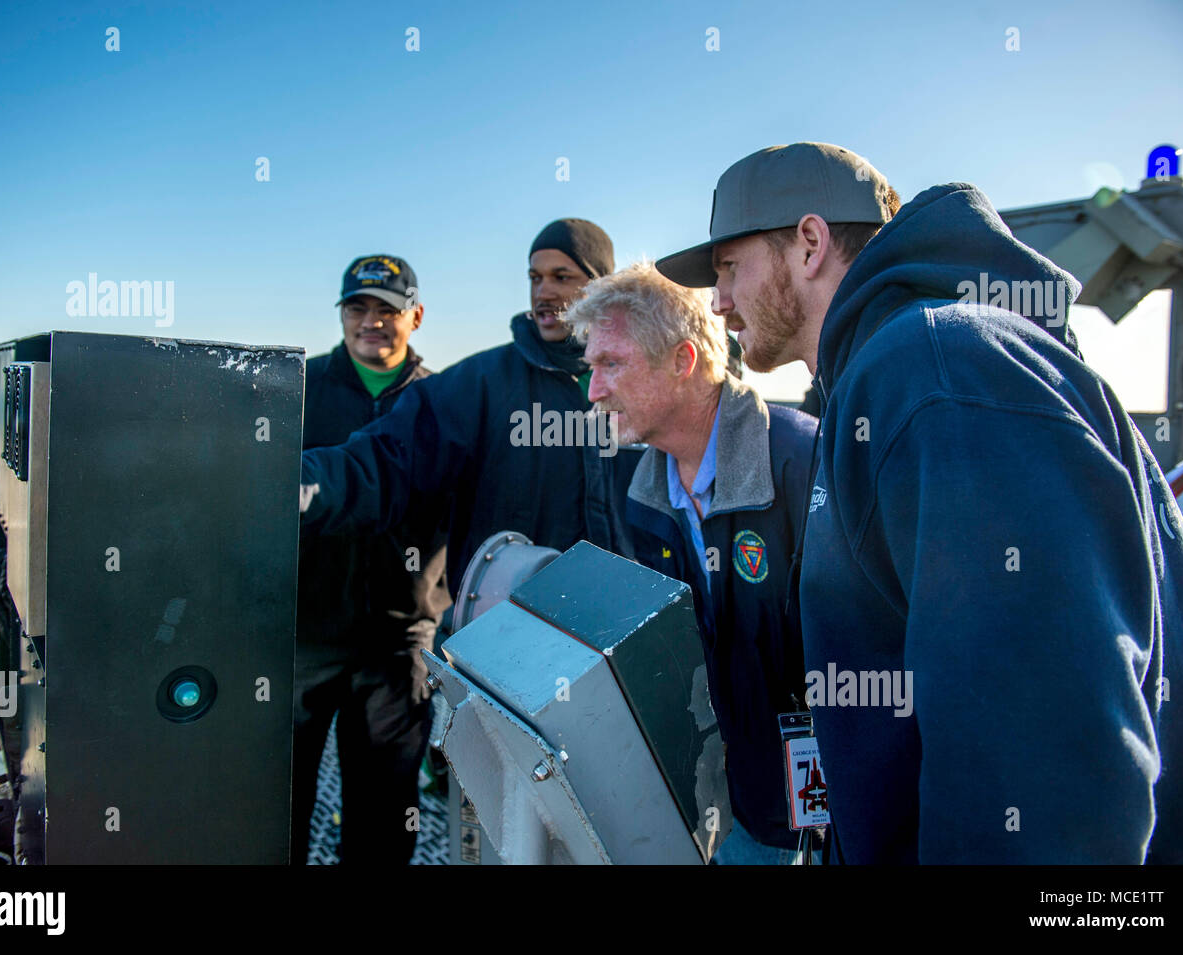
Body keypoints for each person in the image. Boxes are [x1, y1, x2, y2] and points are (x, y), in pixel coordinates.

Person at [656, 141, 1183, 863]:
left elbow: (1045, 775)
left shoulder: (934, 373)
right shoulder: (902, 372)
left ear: (810, 242)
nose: (718, 301)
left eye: (730, 268)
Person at [564, 260, 817, 863]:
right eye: (591, 368)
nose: (594, 390)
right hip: (717, 801)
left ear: (683, 361)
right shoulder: (645, 490)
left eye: (612, 364)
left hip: (813, 814)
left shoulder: (803, 463)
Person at [299, 219, 636, 593]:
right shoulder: (480, 383)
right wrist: (288, 481)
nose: (544, 293)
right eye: (534, 277)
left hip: (617, 624)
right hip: (504, 628)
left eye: (561, 277)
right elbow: (386, 456)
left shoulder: (641, 380)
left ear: (600, 285)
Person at [293, 254, 449, 865]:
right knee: (278, 799)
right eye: (357, 308)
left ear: (415, 316)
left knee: (385, 815)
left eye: (387, 310)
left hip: (398, 639)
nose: (370, 322)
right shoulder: (294, 392)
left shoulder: (443, 403)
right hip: (301, 635)